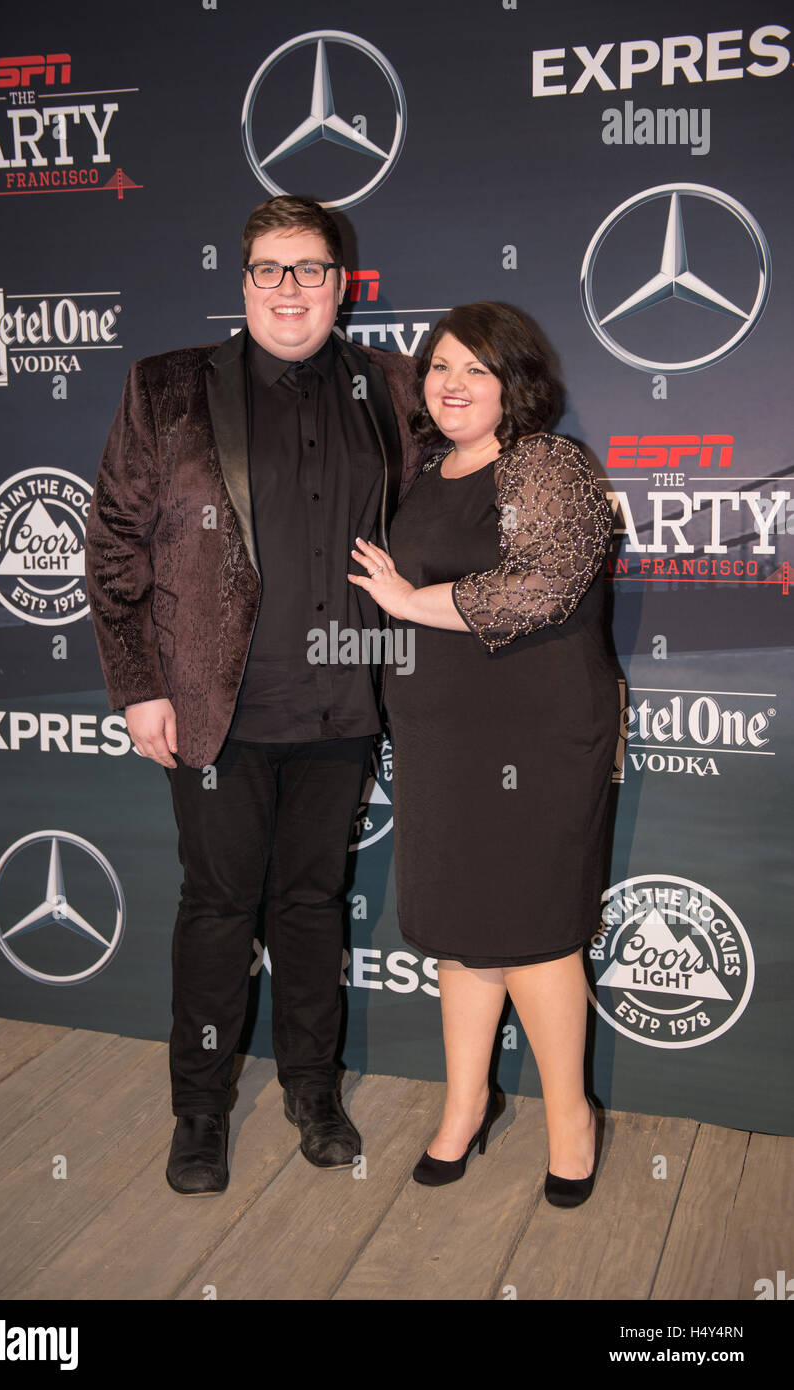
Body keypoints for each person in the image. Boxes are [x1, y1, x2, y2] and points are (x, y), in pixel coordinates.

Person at [84, 195, 420, 1195]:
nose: (290, 289)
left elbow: (454, 503)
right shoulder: (170, 388)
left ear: (341, 284)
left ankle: (313, 1093)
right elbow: (112, 544)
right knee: (220, 908)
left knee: (314, 907)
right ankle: (199, 1110)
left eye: (309, 269)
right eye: (270, 269)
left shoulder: (394, 388)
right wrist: (140, 687)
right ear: (242, 281)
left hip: (344, 704)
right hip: (215, 712)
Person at [349, 302, 619, 1206]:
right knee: (460, 935)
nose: (452, 384)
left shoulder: (547, 463)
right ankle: (466, 1106)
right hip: (440, 734)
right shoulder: (426, 470)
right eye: (438, 367)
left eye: (476, 368)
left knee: (537, 933)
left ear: (515, 383)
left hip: (536, 734)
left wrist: (405, 602)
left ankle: (569, 1118)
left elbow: (538, 589)